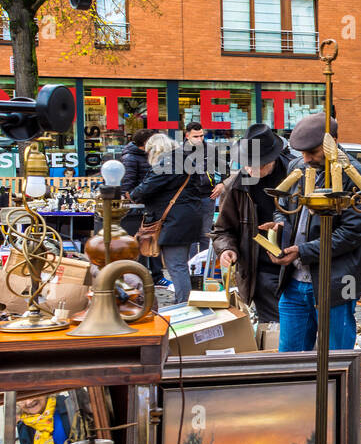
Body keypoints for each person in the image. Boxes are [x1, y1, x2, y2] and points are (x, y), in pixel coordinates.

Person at [270, 113, 361, 351]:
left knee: (336, 353)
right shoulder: (298, 166)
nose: (306, 158)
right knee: (290, 355)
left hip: (337, 279)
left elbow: (352, 234)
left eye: (313, 152)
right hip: (294, 280)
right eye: (302, 152)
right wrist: (280, 228)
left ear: (333, 143)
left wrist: (301, 251)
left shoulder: (355, 175)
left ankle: (336, 389)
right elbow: (284, 208)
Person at [212, 123, 297, 323]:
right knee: (274, 331)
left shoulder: (296, 174)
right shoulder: (236, 185)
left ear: (272, 158)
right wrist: (226, 249)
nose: (250, 170)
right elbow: (222, 230)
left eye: (257, 164)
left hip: (298, 269)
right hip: (262, 272)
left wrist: (285, 228)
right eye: (247, 163)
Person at [134, 132, 208, 303]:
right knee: (179, 264)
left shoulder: (167, 163)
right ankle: (183, 302)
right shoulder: (184, 160)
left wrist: (133, 194)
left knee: (176, 265)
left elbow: (144, 189)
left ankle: (183, 306)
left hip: (175, 221)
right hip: (187, 218)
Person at [119, 128, 164, 285]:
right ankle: (143, 278)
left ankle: (156, 276)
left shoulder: (147, 155)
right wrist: (135, 197)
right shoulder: (130, 158)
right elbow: (127, 185)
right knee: (142, 243)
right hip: (138, 208)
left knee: (152, 241)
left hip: (148, 205)